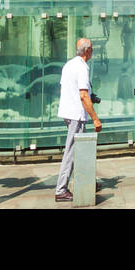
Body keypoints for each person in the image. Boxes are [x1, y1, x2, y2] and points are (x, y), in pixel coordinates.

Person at [54, 38, 102, 202]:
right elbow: (82, 95)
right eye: (92, 48)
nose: (93, 51)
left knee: (80, 149)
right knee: (72, 152)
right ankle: (61, 189)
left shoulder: (69, 65)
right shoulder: (82, 68)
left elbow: (64, 90)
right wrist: (95, 119)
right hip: (76, 115)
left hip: (68, 113)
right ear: (87, 51)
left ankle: (89, 182)